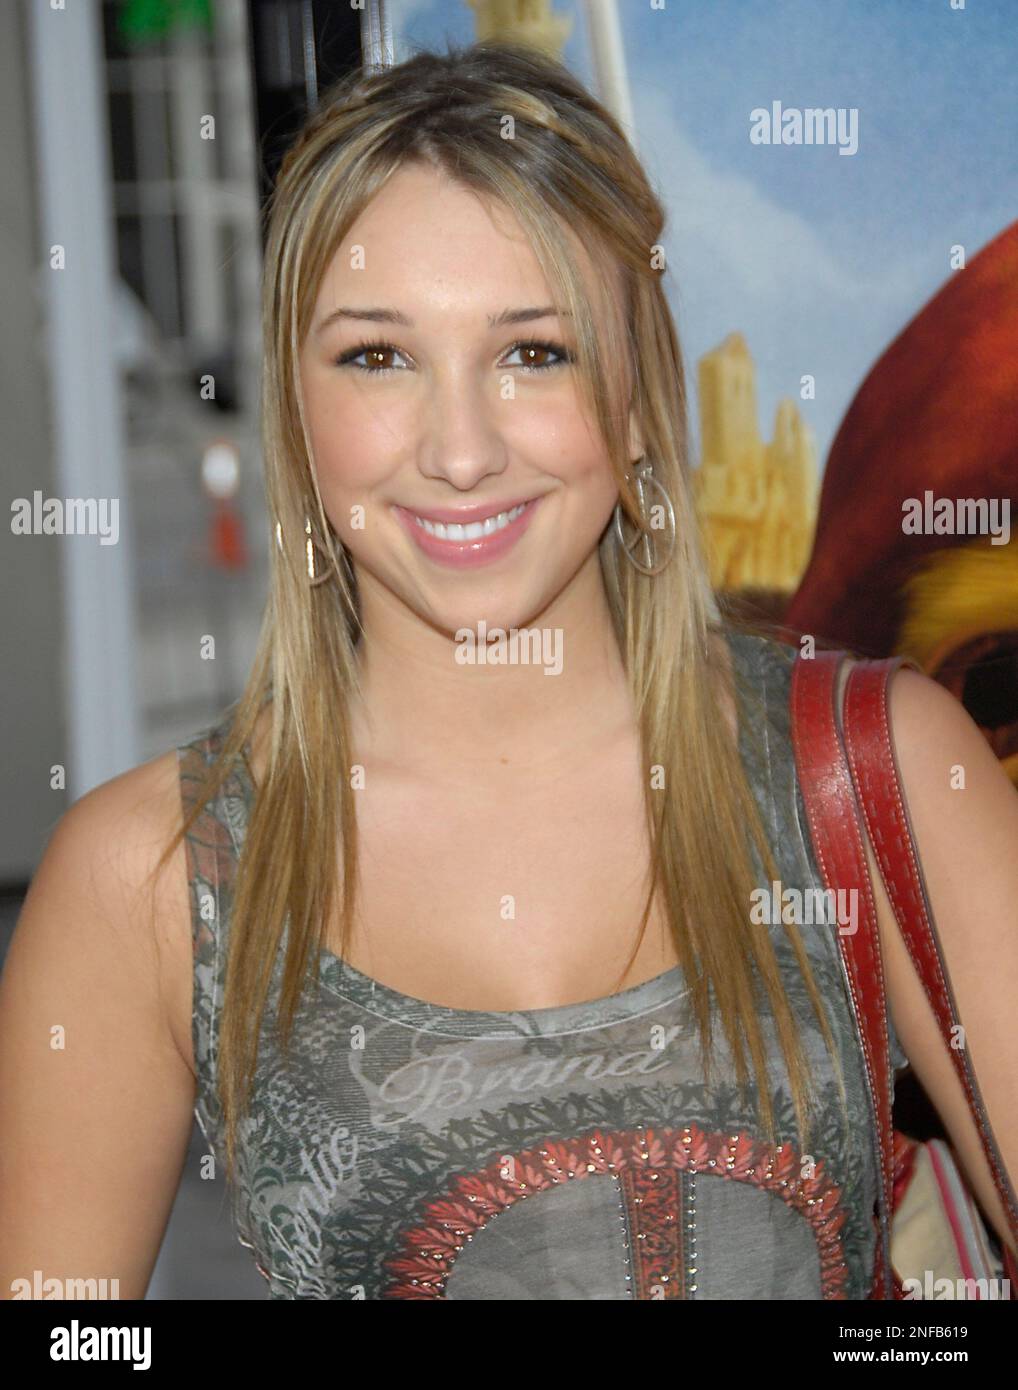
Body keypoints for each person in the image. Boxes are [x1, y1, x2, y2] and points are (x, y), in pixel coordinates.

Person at [2, 42, 1016, 1303]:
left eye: (534, 351)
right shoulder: (151, 876)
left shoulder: (885, 773)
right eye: (378, 356)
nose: (462, 449)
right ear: (296, 412)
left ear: (639, 395)